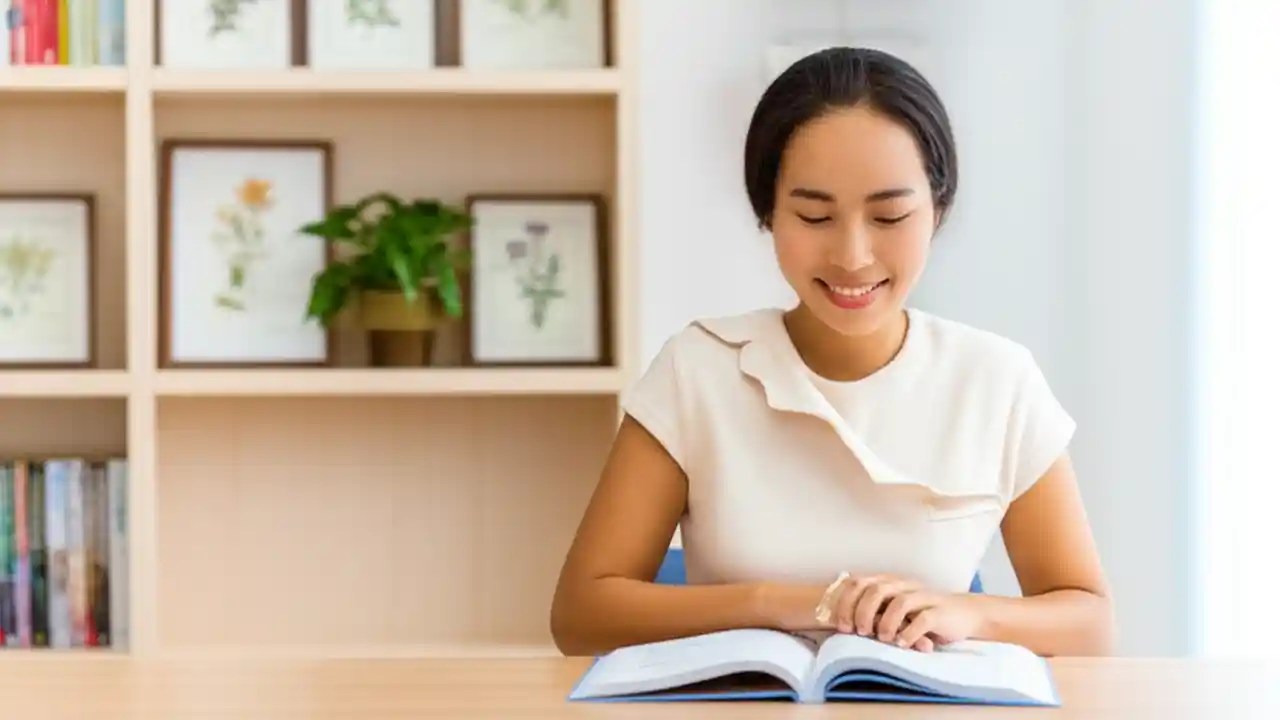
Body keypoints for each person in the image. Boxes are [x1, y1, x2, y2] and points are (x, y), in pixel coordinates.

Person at [550, 46, 1113, 658]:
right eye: (815, 217)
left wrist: (966, 614)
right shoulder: (700, 369)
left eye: (890, 216)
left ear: (939, 209)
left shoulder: (996, 380)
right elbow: (582, 614)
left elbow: (1089, 621)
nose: (852, 256)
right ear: (768, 211)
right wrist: (779, 602)